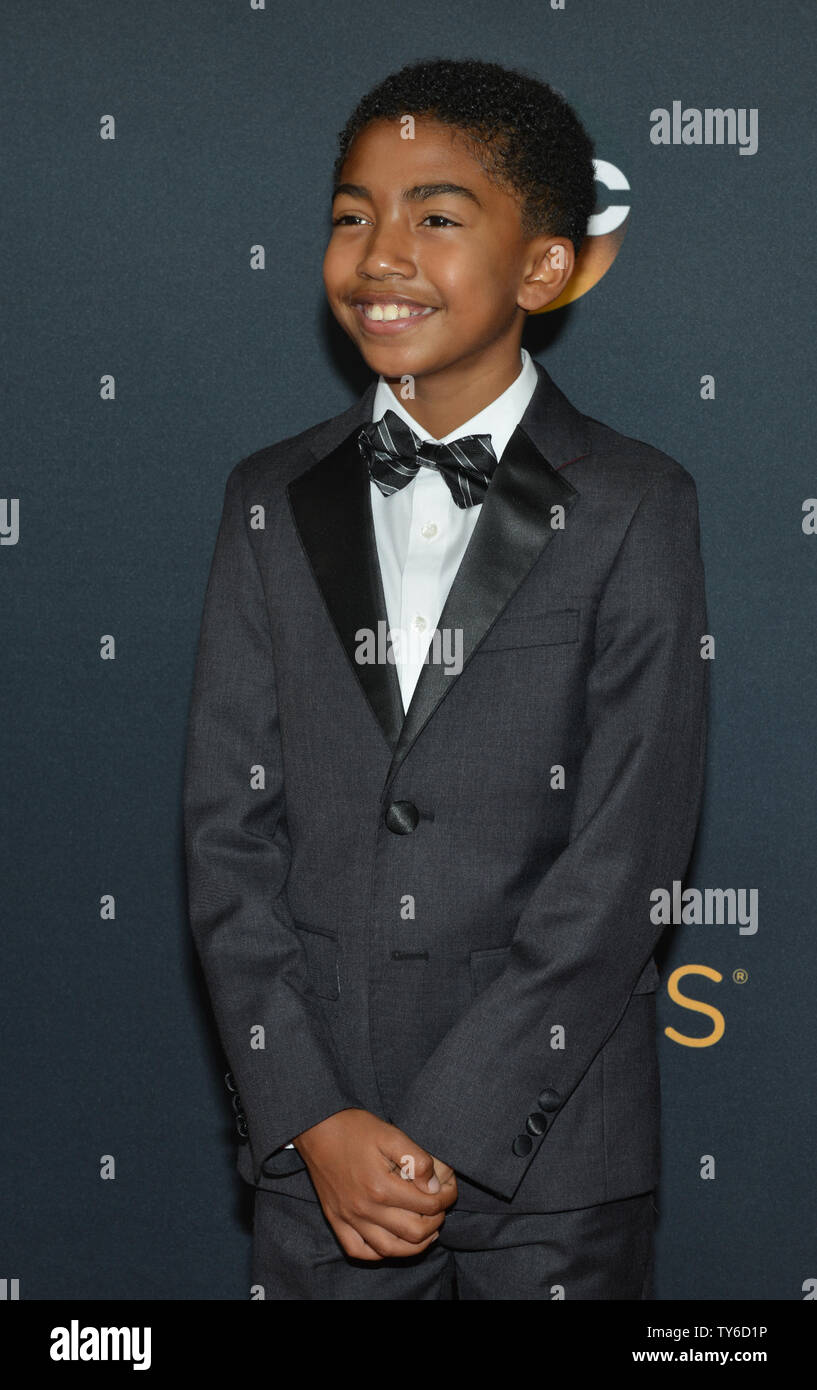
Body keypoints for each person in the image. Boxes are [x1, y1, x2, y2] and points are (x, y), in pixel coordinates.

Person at [183, 56, 708, 1300]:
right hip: (321, 1164)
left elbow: (627, 859)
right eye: (352, 215)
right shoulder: (266, 497)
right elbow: (225, 839)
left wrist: (452, 1128)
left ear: (543, 267)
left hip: (554, 1162)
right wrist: (312, 1116)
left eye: (435, 215)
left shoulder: (638, 502)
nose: (380, 253)